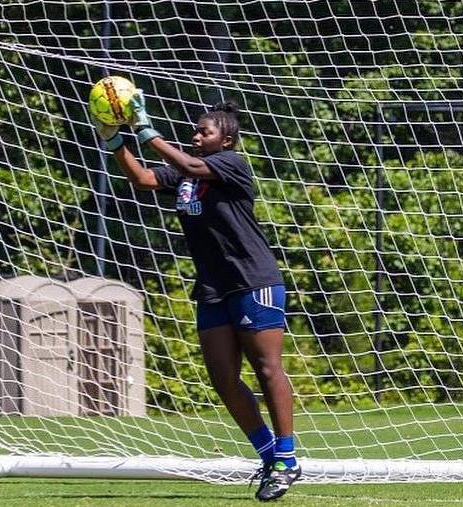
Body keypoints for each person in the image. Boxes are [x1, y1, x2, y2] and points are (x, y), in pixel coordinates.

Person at [94, 90, 301, 501]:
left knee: (266, 368)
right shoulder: (187, 175)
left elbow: (189, 163)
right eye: (195, 130)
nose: (195, 135)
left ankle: (287, 458)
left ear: (224, 141)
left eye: (203, 132)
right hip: (212, 287)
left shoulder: (232, 164)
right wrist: (116, 140)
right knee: (223, 378)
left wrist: (145, 127)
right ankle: (268, 457)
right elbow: (145, 179)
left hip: (253, 279)